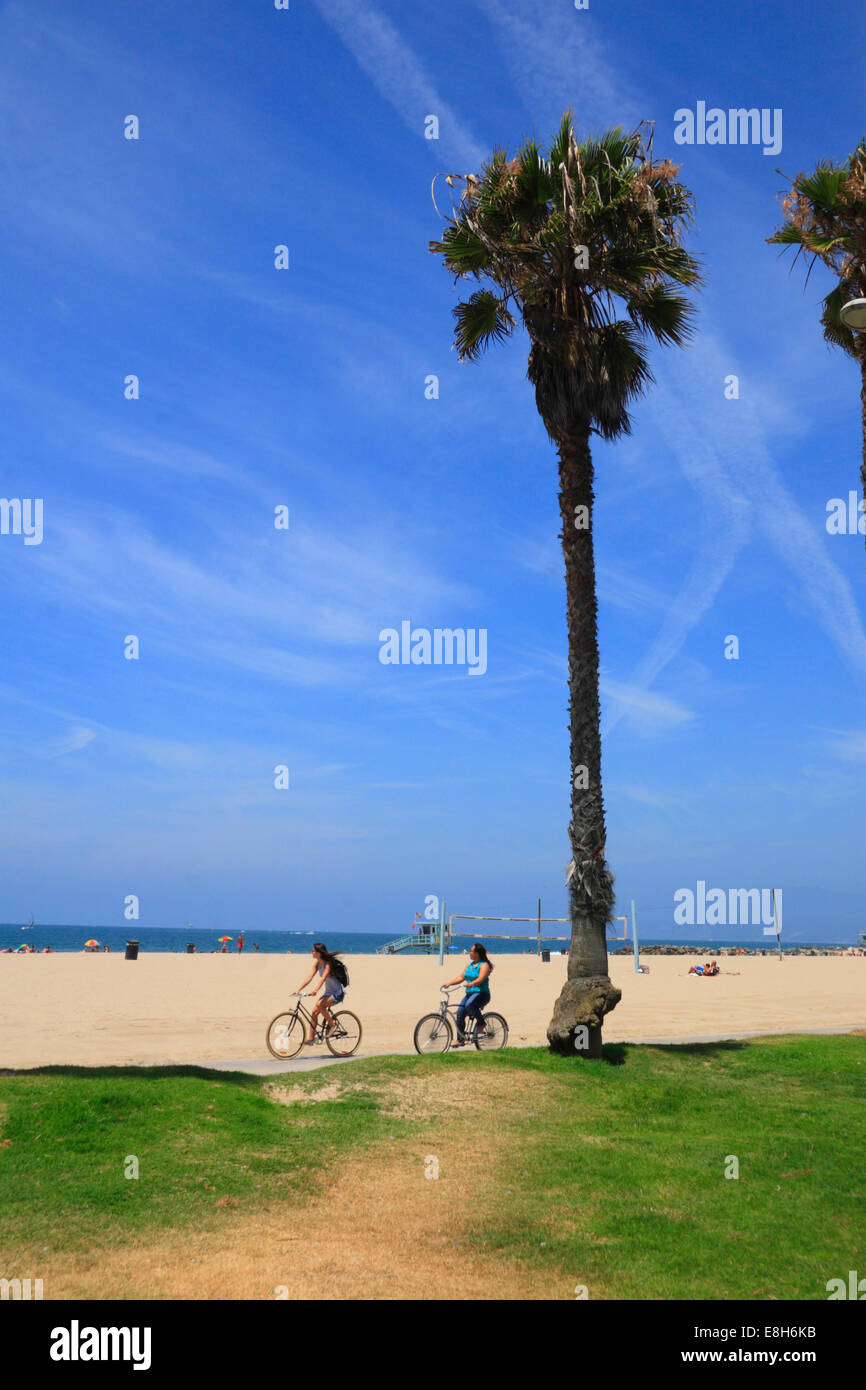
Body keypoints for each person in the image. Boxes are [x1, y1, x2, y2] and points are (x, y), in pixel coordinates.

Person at [294, 942, 347, 1044]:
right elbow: (309, 978)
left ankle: (333, 1026)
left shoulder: (328, 964)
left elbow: (323, 979)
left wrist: (315, 990)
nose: (312, 952)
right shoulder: (318, 964)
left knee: (320, 1006)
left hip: (338, 993)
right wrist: (298, 990)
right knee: (314, 1012)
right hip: (329, 993)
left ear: (319, 953)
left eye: (313, 951)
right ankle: (311, 1038)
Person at [444, 943, 493, 1046]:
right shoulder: (469, 965)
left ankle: (481, 1022)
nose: (469, 953)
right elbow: (461, 977)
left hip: (481, 994)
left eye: (471, 951)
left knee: (469, 1005)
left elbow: (481, 979)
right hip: (470, 994)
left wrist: (472, 983)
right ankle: (460, 1040)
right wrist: (449, 983)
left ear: (477, 953)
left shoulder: (484, 965)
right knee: (460, 1012)